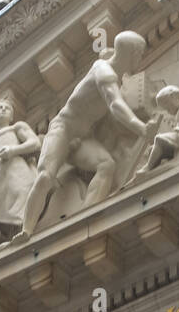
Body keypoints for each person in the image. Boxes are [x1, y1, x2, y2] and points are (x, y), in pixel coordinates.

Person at [17, 31, 151, 237]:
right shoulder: (104, 71)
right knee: (45, 176)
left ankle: (88, 217)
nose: (141, 58)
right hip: (63, 130)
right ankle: (26, 230)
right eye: (140, 53)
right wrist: (141, 128)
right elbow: (116, 105)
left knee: (107, 165)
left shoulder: (114, 74)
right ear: (131, 53)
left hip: (82, 138)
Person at [0, 91, 43, 254]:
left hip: (17, 173)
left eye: (6, 108)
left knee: (21, 199)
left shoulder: (17, 128)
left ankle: (26, 230)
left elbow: (34, 144)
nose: (2, 110)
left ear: (11, 116)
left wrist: (12, 150)